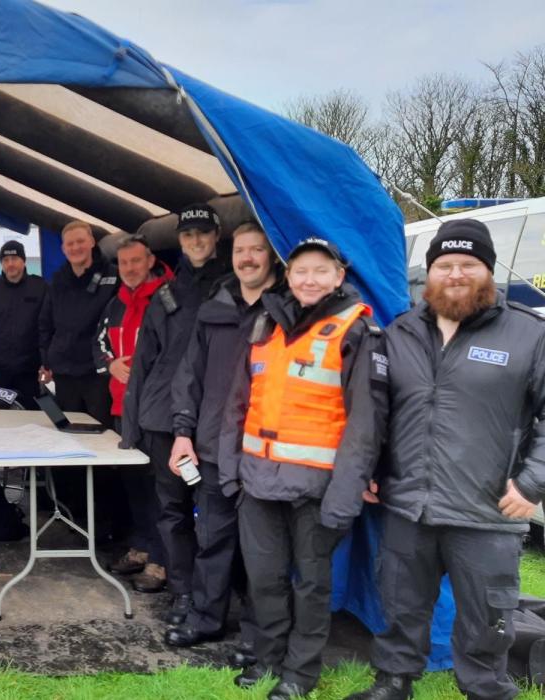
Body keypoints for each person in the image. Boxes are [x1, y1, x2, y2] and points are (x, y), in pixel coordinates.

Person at [347, 220, 545, 700]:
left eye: (468, 264)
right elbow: (378, 412)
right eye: (444, 265)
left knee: (486, 616)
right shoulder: (399, 333)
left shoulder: (528, 333)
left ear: (488, 271)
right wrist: (369, 469)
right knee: (400, 605)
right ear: (429, 273)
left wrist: (532, 484)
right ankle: (394, 682)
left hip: (487, 510)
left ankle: (486, 689)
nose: (455, 274)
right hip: (407, 506)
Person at [220, 237, 387, 699]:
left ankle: (301, 672)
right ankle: (268, 658)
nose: (309, 279)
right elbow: (238, 403)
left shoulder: (357, 331)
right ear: (287, 277)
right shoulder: (265, 323)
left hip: (317, 488)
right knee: (265, 579)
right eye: (300, 271)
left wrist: (345, 493)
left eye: (320, 270)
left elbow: (366, 425)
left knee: (312, 586)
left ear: (339, 276)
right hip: (256, 483)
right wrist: (231, 472)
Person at [163, 222, 279, 669]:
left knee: (261, 552)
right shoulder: (215, 307)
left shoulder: (286, 310)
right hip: (211, 447)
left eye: (257, 250)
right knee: (212, 540)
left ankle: (257, 634)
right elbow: (188, 376)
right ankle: (207, 618)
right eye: (241, 251)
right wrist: (181, 434)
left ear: (271, 256)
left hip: (262, 451)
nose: (247, 258)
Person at [122, 203, 230, 610]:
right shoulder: (165, 293)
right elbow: (144, 361)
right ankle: (182, 592)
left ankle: (211, 597)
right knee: (171, 511)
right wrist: (131, 426)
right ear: (180, 241)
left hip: (213, 418)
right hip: (162, 418)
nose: (196, 241)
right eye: (188, 235)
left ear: (216, 237)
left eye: (203, 233)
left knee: (214, 516)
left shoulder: (232, 287)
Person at [97, 235, 173, 591]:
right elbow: (97, 344)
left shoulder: (168, 299)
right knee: (135, 486)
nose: (129, 269)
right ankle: (142, 547)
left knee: (161, 490)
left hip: (156, 411)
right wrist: (110, 365)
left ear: (150, 260)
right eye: (124, 263)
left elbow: (179, 353)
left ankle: (161, 561)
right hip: (120, 408)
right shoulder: (115, 303)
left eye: (135, 262)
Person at [39, 220, 119, 426]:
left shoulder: (113, 275)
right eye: (70, 244)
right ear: (63, 249)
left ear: (92, 241)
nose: (75, 248)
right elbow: (46, 324)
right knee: (69, 432)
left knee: (103, 433)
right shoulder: (57, 280)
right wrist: (47, 362)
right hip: (64, 373)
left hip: (98, 374)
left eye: (80, 241)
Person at [0, 240, 48, 408]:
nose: (10, 264)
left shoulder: (40, 287)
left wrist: (46, 363)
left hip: (29, 372)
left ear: (24, 260)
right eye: (6, 260)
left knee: (30, 420)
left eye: (14, 259)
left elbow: (47, 328)